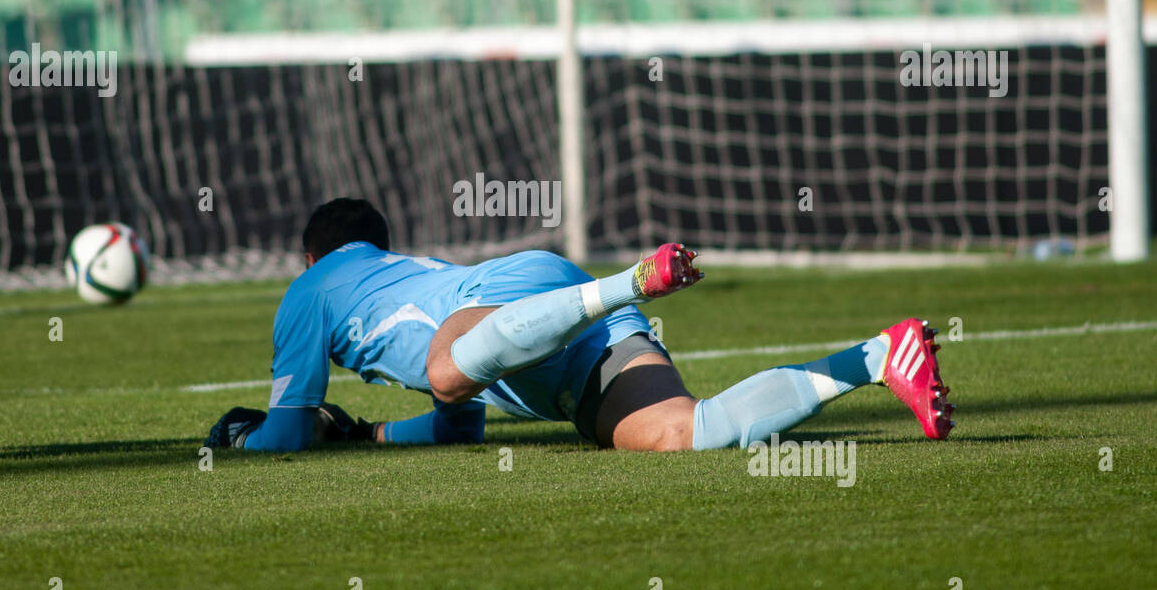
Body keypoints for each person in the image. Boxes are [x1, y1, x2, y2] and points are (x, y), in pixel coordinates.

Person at [205, 198, 955, 453]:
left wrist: (243, 439)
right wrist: (367, 433)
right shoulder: (398, 279)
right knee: (685, 434)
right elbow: (459, 427)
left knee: (444, 366)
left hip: (509, 294)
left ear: (309, 256)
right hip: (558, 354)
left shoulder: (309, 291)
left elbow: (286, 435)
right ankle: (877, 357)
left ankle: (632, 278)